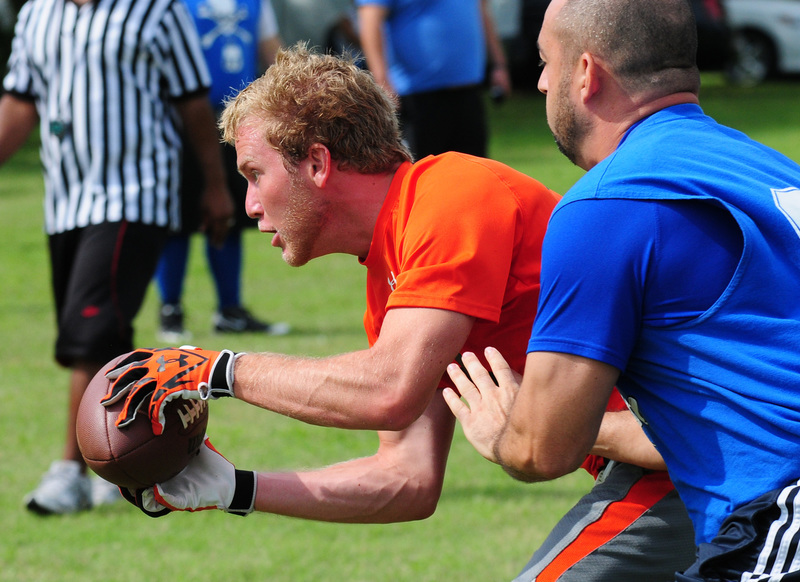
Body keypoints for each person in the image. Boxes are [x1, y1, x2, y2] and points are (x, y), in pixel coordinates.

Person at [99, 44, 695, 580]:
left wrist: (215, 370)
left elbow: (389, 388)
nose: (250, 204)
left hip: (690, 455)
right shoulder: (392, 278)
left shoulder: (448, 194)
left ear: (317, 163)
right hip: (661, 459)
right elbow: (406, 480)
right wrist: (234, 487)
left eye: (255, 175)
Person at [442, 0, 800, 580]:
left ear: (586, 73)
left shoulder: (608, 203)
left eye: (545, 62)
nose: (540, 83)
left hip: (781, 520)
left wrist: (503, 429)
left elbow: (543, 448)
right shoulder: (769, 169)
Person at [0, 0, 233, 514]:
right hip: (65, 201)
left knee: (91, 331)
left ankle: (70, 472)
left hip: (135, 193)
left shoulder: (157, 10)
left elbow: (194, 103)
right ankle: (122, 469)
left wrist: (215, 186)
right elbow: (19, 102)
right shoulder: (36, 12)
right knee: (101, 333)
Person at [154, 0, 290, 340]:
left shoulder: (254, 2)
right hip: (179, 120)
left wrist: (294, 94)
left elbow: (271, 50)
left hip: (235, 122)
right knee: (178, 217)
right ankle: (170, 310)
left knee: (230, 212)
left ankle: (230, 310)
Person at [356, 0, 511, 159]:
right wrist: (382, 83)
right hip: (417, 97)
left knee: (473, 168)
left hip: (468, 92)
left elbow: (481, 12)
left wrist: (499, 64)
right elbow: (370, 20)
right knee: (422, 169)